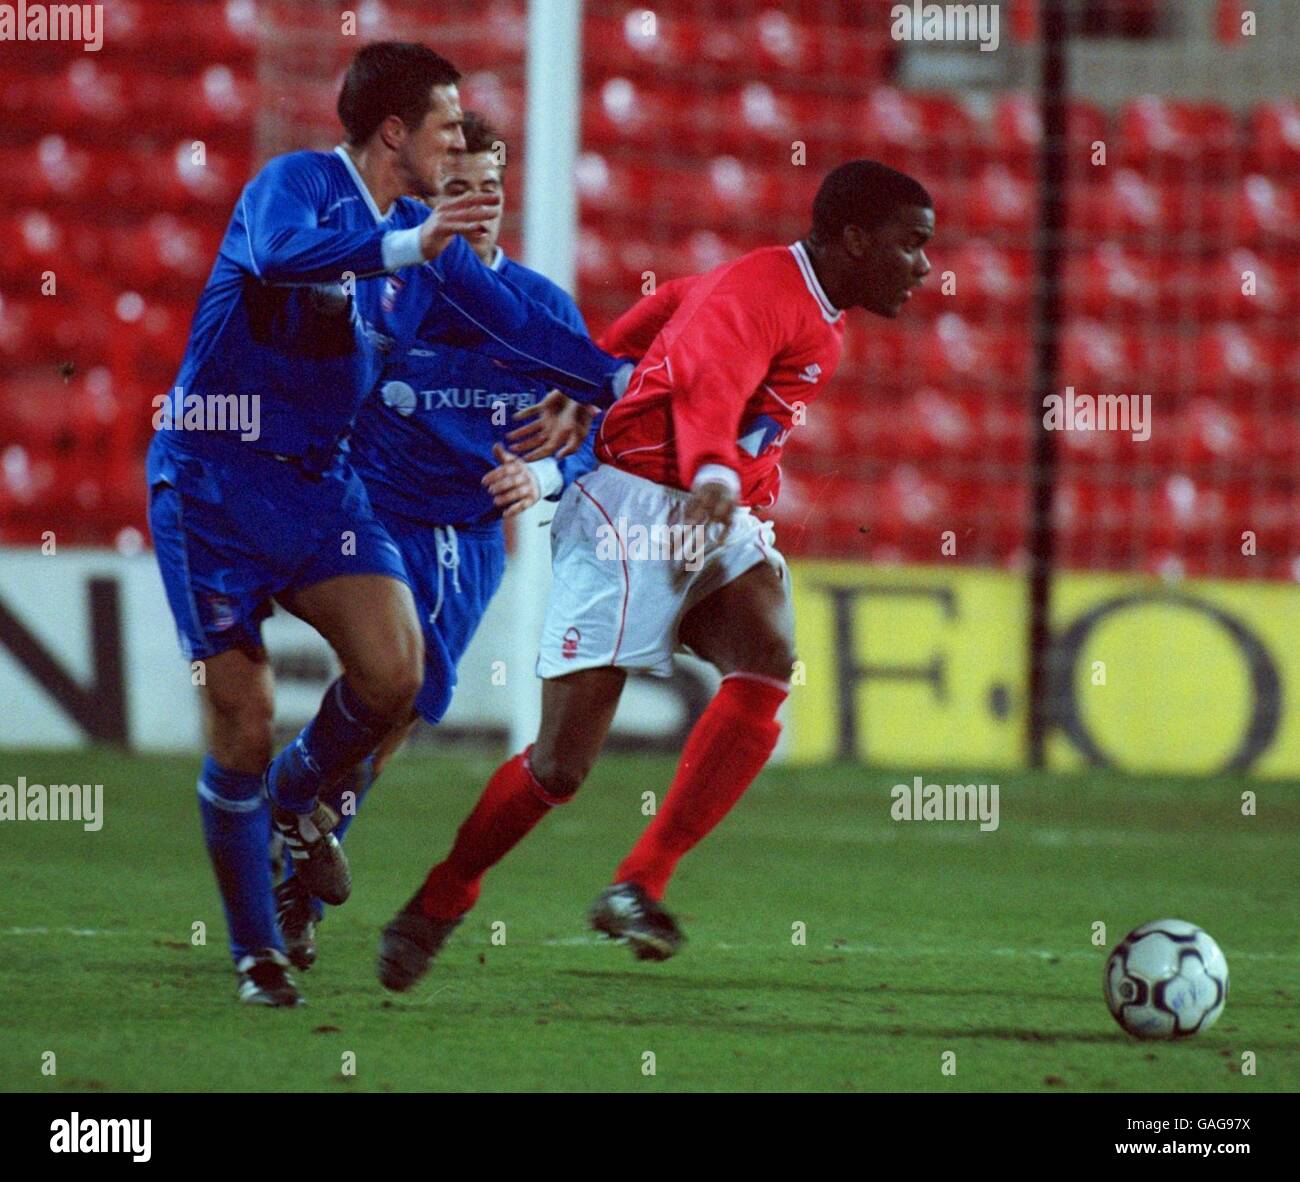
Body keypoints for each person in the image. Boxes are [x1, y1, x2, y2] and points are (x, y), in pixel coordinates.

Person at [377, 159, 934, 989]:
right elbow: (708, 392)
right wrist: (712, 471)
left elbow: (680, 296)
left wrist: (598, 364)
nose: (925, 266)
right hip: (632, 510)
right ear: (856, 239)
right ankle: (444, 894)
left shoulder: (798, 293)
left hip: (708, 511)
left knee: (768, 659)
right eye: (911, 247)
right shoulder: (765, 295)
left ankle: (640, 881)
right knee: (560, 768)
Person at [148, 42, 627, 1006]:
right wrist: (412, 244)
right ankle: (257, 953)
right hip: (211, 480)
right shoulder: (293, 187)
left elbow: (524, 330)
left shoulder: (423, 238)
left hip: (321, 490)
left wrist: (625, 387)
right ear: (396, 133)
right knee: (242, 723)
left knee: (396, 673)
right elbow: (283, 260)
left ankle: (296, 804)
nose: (461, 141)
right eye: (449, 125)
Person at [273, 113, 600, 972]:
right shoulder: (388, 284)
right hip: (372, 513)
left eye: (489, 189)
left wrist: (545, 478)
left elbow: (606, 426)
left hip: (468, 534)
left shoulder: (538, 308)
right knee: (385, 688)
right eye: (456, 189)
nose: (477, 206)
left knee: (398, 711)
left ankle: (299, 840)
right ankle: (296, 830)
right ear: (428, 195)